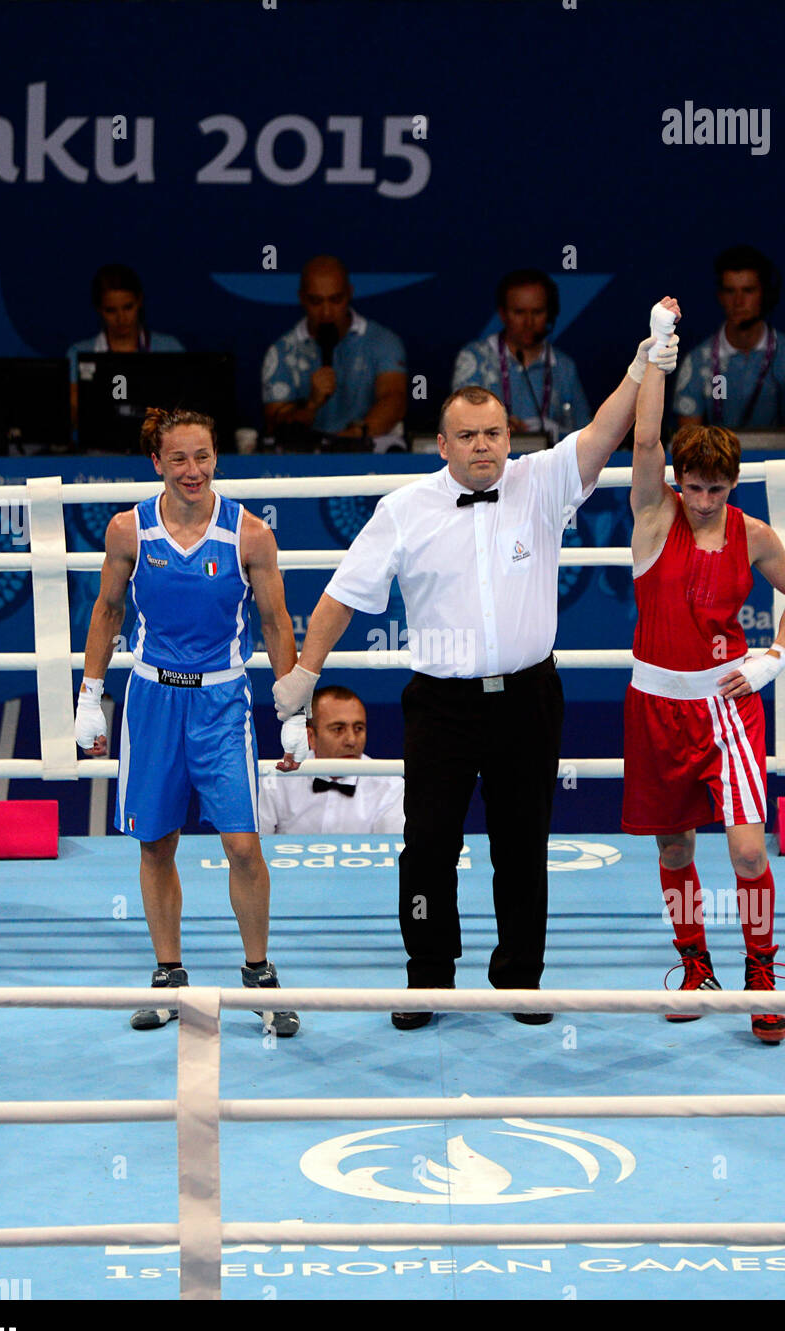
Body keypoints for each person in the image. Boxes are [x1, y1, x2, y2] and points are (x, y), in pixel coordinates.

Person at [272, 301, 682, 1031]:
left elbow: (607, 428)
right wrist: (304, 675)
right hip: (441, 706)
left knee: (522, 847)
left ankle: (519, 978)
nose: (484, 446)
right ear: (442, 444)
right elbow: (341, 595)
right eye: (468, 436)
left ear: (508, 435)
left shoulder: (543, 480)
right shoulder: (403, 509)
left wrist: (644, 356)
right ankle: (427, 975)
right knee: (427, 845)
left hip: (529, 698)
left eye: (494, 432)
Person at [74, 406, 300, 1036]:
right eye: (179, 458)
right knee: (156, 843)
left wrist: (293, 713)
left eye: (202, 456)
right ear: (158, 463)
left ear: (216, 458)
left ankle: (259, 974)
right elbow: (107, 613)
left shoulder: (249, 534)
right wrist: (89, 698)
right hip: (151, 700)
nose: (192, 470)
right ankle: (169, 973)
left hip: (222, 703)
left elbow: (277, 624)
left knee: (243, 845)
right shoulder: (128, 530)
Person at [624, 334, 785, 1045]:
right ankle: (695, 965)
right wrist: (658, 359)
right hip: (655, 705)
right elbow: (645, 442)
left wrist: (773, 656)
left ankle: (760, 975)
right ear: (679, 480)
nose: (704, 500)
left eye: (717, 488)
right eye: (694, 485)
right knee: (674, 848)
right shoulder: (655, 516)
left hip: (727, 707)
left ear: (734, 483)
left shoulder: (753, 533)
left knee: (746, 852)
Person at [261, 255, 407, 449]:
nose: (327, 312)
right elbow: (274, 423)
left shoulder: (381, 341)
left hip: (364, 447)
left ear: (349, 294)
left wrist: (351, 437)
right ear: (302, 298)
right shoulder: (281, 351)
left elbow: (394, 400)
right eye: (316, 301)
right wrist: (311, 405)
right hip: (304, 454)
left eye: (335, 300)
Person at [452, 269, 591, 439]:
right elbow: (458, 426)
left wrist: (553, 432)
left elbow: (585, 433)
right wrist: (497, 427)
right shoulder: (474, 358)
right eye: (519, 312)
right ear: (502, 314)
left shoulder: (564, 366)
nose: (528, 322)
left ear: (550, 314)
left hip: (548, 462)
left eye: (537, 312)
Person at [673, 246, 785, 431]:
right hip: (717, 459)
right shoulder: (697, 362)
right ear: (720, 297)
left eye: (748, 291)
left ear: (765, 294)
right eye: (730, 291)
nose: (738, 302)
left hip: (778, 460)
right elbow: (689, 441)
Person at [259, 685, 405, 833]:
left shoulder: (391, 786)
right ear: (310, 737)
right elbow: (257, 845)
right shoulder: (276, 780)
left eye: (358, 728)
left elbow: (392, 852)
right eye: (338, 729)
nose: (351, 740)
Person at [66, 264, 184, 424]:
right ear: (99, 309)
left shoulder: (170, 348)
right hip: (97, 448)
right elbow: (70, 416)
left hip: (157, 446)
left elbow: (184, 413)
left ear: (140, 301)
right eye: (111, 310)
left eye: (128, 307)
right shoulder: (78, 354)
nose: (121, 319)